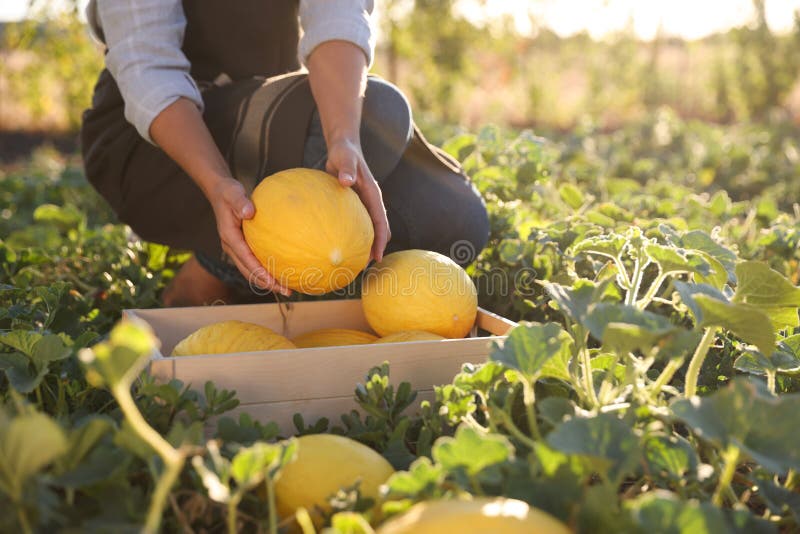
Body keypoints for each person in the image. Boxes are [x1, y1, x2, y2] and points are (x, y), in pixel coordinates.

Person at [81, 0, 489, 306]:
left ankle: (264, 284)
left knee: (456, 219)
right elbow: (149, 72)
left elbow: (338, 16)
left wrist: (344, 140)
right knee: (381, 110)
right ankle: (212, 273)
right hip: (157, 145)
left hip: (270, 126)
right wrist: (217, 183)